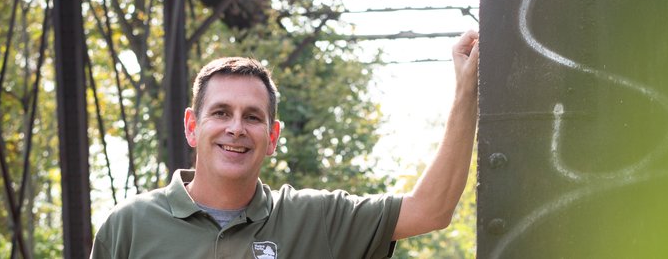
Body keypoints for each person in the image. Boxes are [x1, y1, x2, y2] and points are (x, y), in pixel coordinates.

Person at [90, 30, 479, 258]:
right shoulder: (128, 226)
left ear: (272, 137)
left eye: (253, 117)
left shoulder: (315, 219)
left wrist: (467, 95)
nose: (236, 128)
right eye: (221, 113)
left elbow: (430, 210)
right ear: (193, 126)